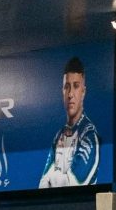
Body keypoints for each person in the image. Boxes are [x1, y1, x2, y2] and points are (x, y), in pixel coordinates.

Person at [39, 54, 101, 188]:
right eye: (67, 86)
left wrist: (53, 176)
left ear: (83, 92)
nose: (70, 94)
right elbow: (42, 186)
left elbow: (72, 184)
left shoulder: (89, 134)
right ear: (62, 91)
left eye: (76, 86)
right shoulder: (58, 136)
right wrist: (56, 178)